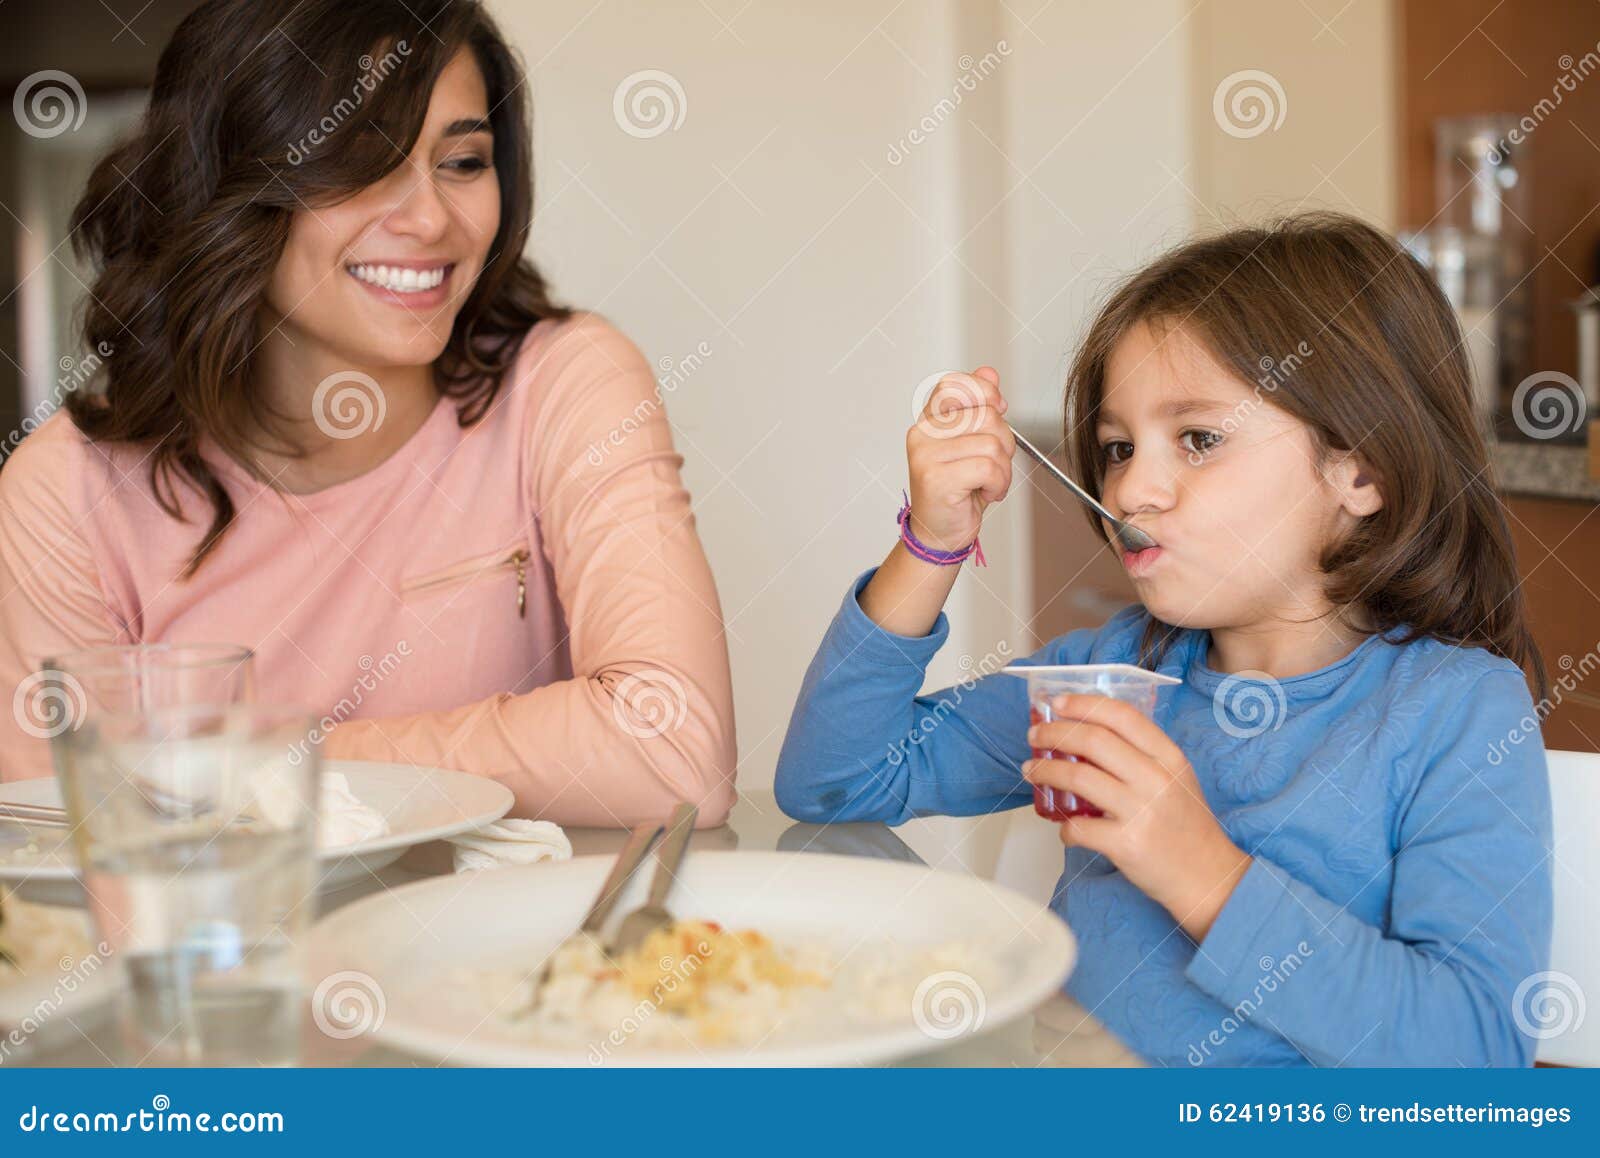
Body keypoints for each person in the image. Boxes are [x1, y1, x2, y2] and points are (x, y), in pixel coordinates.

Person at [775, 213, 1553, 1065]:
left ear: (1359, 469)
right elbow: (837, 781)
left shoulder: (1454, 711)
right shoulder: (1109, 674)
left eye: (1198, 439)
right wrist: (932, 543)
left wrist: (1203, 873)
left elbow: (1477, 1056)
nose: (1135, 487)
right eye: (1116, 447)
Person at [0, 0, 736, 827]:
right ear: (229, 186)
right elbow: (57, 849)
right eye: (361, 160)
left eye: (462, 161)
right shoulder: (67, 489)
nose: (430, 220)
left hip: (497, 954)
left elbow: (677, 754)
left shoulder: (562, 382)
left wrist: (259, 768)